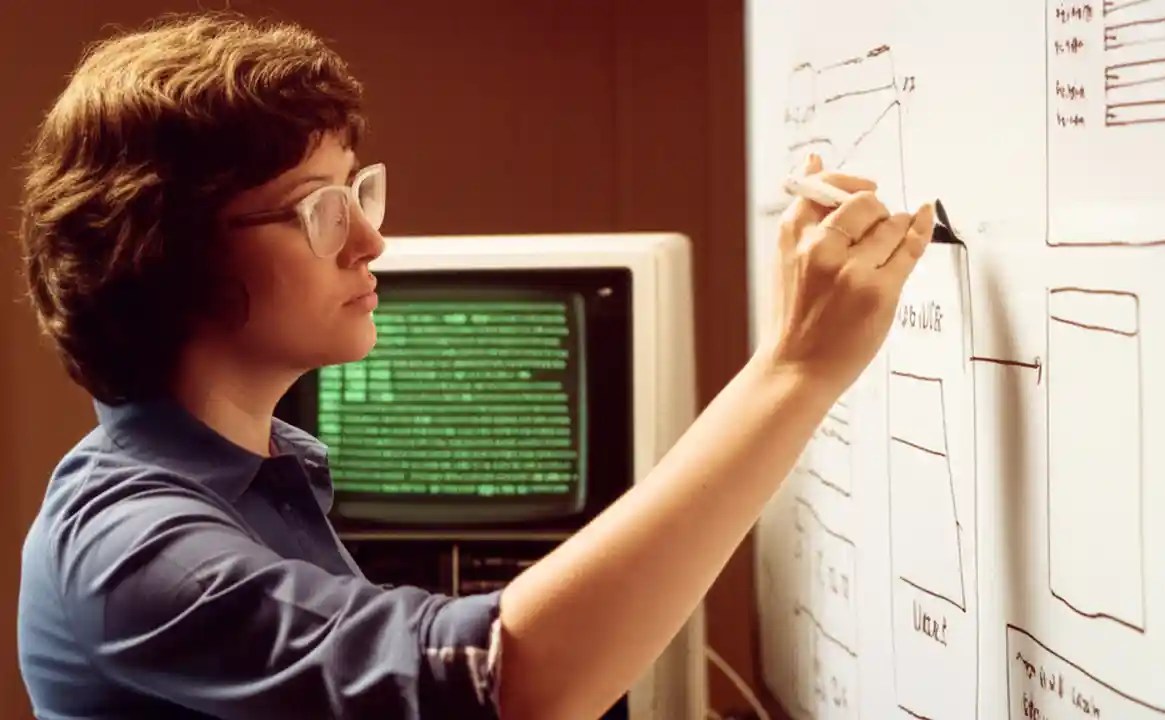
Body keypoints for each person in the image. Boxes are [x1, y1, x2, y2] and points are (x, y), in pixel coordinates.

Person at [14, 12, 934, 720]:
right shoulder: (131, 551)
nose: (373, 239)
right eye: (321, 209)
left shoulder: (264, 473)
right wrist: (796, 367)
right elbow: (511, 682)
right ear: (167, 256)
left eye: (360, 191)